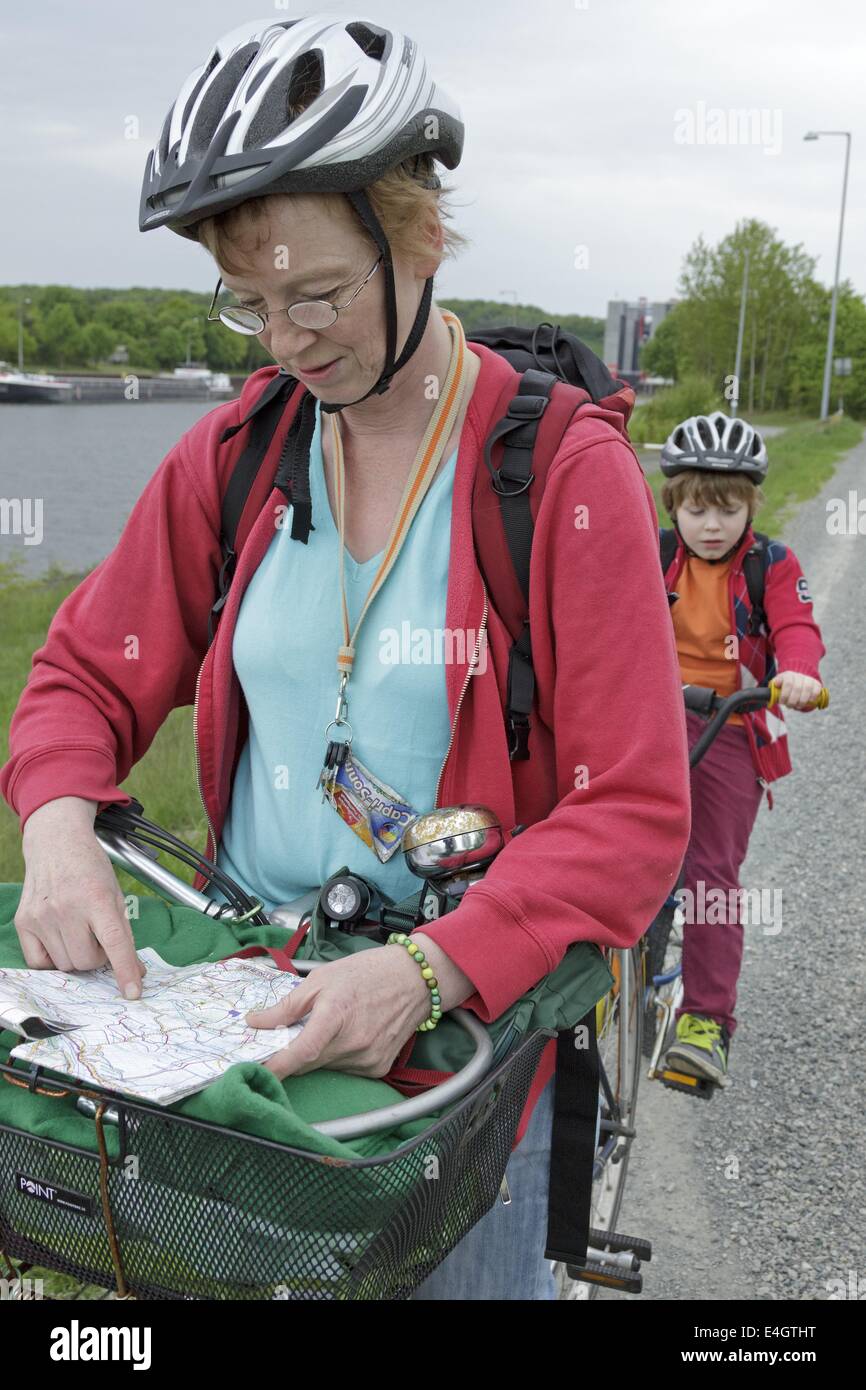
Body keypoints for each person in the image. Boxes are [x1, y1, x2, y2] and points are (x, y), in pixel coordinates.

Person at [0, 15, 690, 1299]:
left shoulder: (560, 475)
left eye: (313, 293)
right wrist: (54, 828)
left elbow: (635, 810)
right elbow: (80, 678)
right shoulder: (243, 453)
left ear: (418, 235)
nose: (282, 341)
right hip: (248, 1039)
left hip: (457, 1064)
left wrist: (428, 969)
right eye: (248, 304)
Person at [658, 411, 825, 1087]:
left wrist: (800, 672)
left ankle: (707, 1021)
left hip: (727, 727)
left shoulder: (772, 565)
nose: (712, 525)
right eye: (697, 509)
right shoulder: (651, 547)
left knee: (710, 876)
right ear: (675, 506)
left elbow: (797, 627)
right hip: (648, 716)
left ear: (751, 507)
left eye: (728, 509)